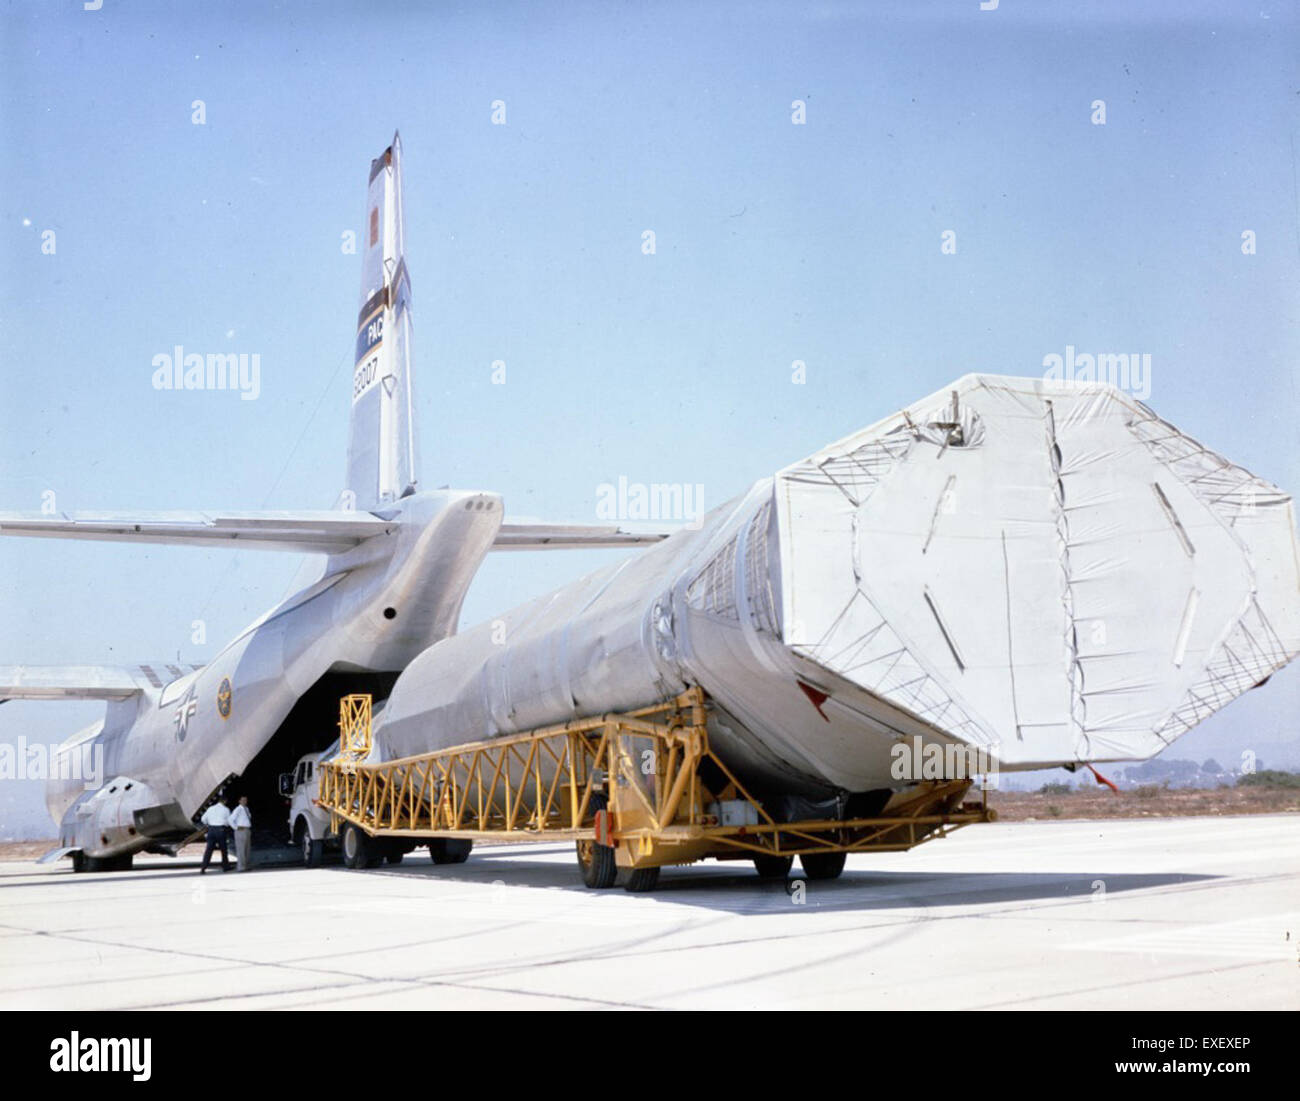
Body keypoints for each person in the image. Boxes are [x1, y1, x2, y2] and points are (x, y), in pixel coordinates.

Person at [199, 798, 232, 874]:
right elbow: (229, 821)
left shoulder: (210, 808)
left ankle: (203, 868)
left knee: (208, 850)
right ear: (224, 801)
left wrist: (209, 824)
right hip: (221, 830)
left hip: (211, 830)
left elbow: (203, 819)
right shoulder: (226, 809)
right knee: (223, 850)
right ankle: (225, 867)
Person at [230, 795, 253, 872]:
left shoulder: (246, 809)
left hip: (247, 829)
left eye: (245, 800)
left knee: (247, 848)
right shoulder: (238, 809)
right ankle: (241, 867)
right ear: (239, 801)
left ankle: (246, 865)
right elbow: (230, 819)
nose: (244, 801)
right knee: (241, 849)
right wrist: (236, 827)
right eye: (243, 800)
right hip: (241, 830)